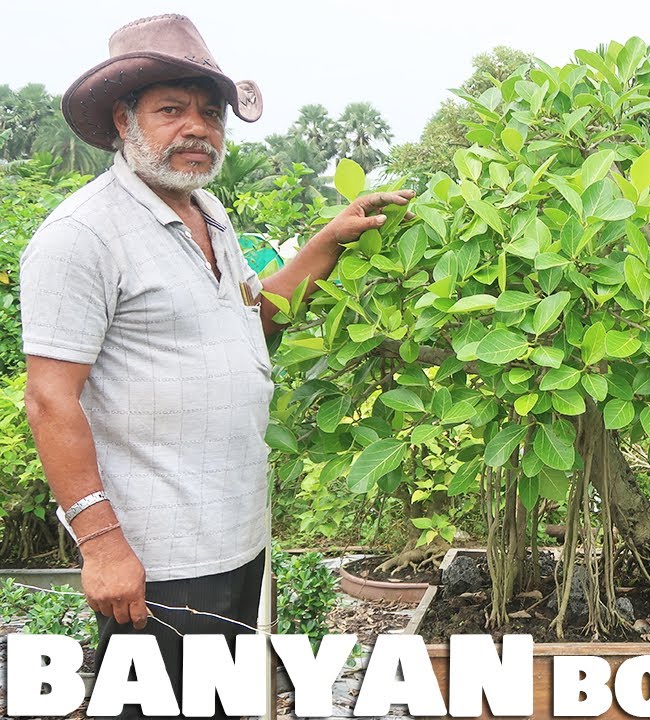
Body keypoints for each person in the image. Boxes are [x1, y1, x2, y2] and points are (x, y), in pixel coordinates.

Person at [19, 14, 410, 718]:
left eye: (209, 112)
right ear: (122, 119)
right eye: (171, 110)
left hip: (235, 535)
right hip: (157, 554)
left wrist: (327, 239)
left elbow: (254, 318)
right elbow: (50, 398)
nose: (196, 127)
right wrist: (103, 547)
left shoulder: (210, 214)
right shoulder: (81, 235)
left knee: (226, 704)